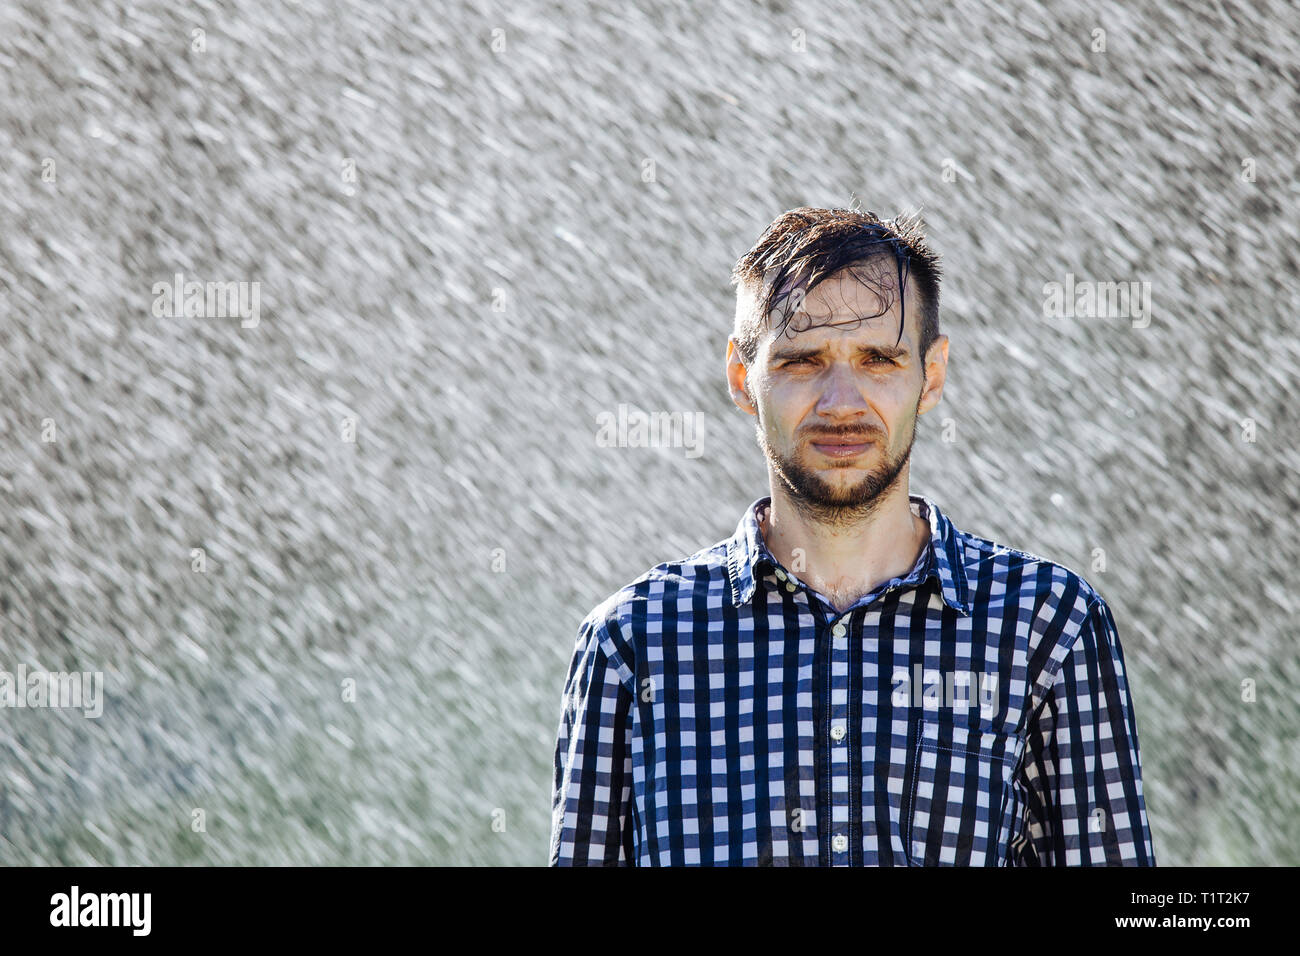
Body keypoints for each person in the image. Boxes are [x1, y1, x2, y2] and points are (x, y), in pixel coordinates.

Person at [549, 205, 1156, 866]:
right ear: (740, 378)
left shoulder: (1047, 627)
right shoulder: (633, 645)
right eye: (803, 361)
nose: (842, 402)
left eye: (879, 360)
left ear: (933, 375)